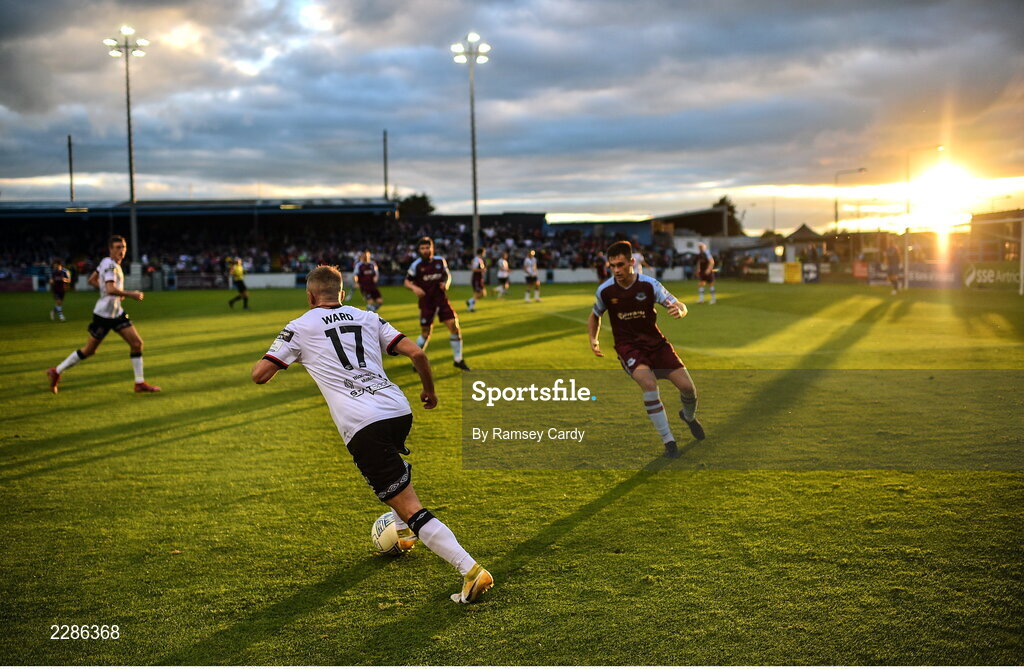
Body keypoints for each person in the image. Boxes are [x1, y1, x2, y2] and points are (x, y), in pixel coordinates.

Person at [251, 265, 492, 603]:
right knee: (396, 472)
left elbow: (260, 374)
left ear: (310, 297)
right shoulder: (368, 317)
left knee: (408, 504)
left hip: (362, 422)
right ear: (342, 293)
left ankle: (470, 571)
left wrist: (292, 351)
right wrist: (430, 392)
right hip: (398, 409)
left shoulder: (299, 326)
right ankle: (404, 532)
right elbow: (418, 353)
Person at [587, 241, 704, 458]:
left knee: (688, 389)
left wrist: (681, 311)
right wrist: (593, 339)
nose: (616, 270)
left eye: (620, 265)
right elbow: (595, 315)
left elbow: (679, 304)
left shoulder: (650, 285)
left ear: (632, 262)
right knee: (649, 385)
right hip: (628, 347)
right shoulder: (605, 290)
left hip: (656, 344)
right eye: (612, 266)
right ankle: (669, 441)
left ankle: (688, 417)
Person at [47, 235, 161, 394]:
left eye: (123, 247)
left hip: (116, 313)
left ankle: (139, 383)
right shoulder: (111, 266)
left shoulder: (107, 263)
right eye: (117, 248)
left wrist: (114, 293)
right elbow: (109, 289)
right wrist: (129, 294)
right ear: (110, 249)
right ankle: (57, 371)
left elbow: (92, 280)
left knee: (136, 344)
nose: (121, 251)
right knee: (89, 350)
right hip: (104, 316)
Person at [403, 237, 470, 371]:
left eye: (428, 248)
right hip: (427, 303)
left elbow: (447, 276)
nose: (425, 250)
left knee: (454, 326)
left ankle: (458, 359)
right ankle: (416, 361)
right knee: (425, 333)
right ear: (419, 250)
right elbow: (407, 282)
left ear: (432, 248)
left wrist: (446, 284)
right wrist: (415, 288)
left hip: (442, 300)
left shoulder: (440, 261)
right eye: (423, 248)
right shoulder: (416, 265)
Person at [467, 248, 487, 312]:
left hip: (479, 278)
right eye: (484, 252)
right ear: (481, 253)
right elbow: (473, 269)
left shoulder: (480, 260)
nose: (484, 254)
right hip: (476, 279)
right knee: (479, 293)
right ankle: (470, 308)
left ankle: (470, 301)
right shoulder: (476, 259)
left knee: (483, 294)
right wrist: (482, 270)